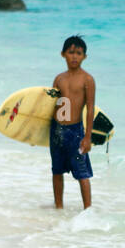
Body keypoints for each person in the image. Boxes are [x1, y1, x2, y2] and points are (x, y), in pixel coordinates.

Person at [50, 35, 95, 209]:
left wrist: (88, 137)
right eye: (71, 52)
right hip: (56, 129)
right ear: (63, 54)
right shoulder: (59, 79)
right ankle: (58, 207)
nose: (74, 56)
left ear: (85, 56)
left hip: (75, 131)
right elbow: (50, 105)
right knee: (57, 170)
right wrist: (34, 133)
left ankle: (88, 210)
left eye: (78, 53)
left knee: (82, 172)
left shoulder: (87, 79)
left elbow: (90, 108)